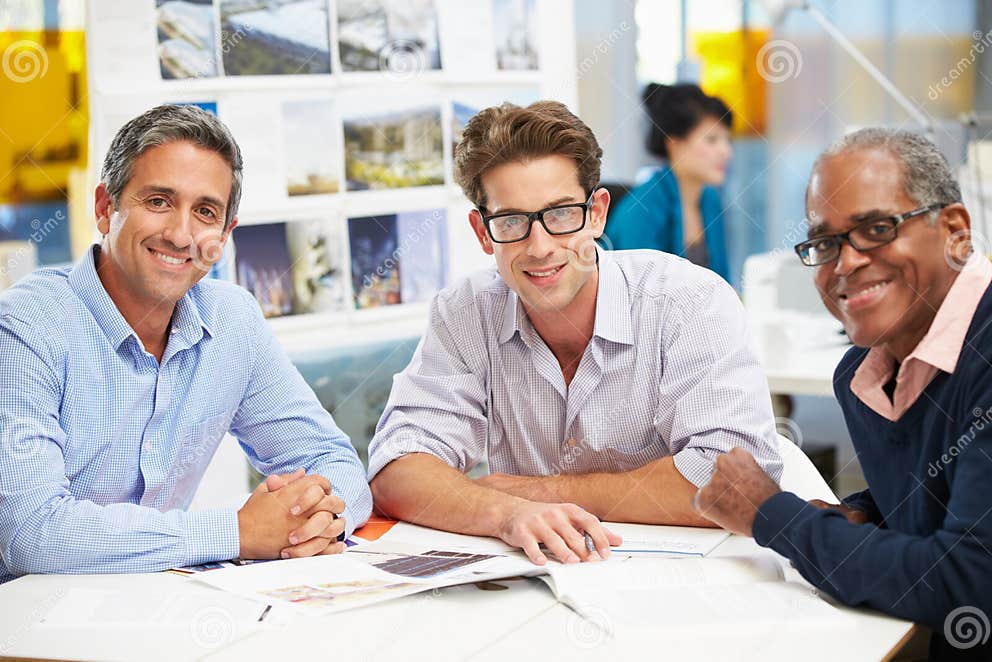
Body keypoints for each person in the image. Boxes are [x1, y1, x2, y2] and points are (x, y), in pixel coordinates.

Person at [368, 100, 782, 566]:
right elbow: (396, 467)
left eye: (561, 213)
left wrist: (543, 491)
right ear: (483, 233)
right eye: (511, 222)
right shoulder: (465, 312)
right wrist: (505, 512)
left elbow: (738, 485)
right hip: (539, 585)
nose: (540, 247)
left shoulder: (689, 300)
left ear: (597, 213)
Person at [0, 105, 372, 582]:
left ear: (224, 234)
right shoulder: (27, 325)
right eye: (158, 201)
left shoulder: (232, 321)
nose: (180, 234)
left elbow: (333, 463)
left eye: (205, 212)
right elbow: (31, 534)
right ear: (103, 208)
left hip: (163, 613)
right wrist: (237, 533)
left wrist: (309, 522)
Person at [693, 128, 992, 661]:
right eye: (826, 243)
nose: (846, 263)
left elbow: (970, 581)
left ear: (955, 231)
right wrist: (860, 514)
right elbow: (938, 495)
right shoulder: (864, 376)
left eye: (876, 228)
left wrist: (775, 515)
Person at [603, 83, 733, 281]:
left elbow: (722, 283)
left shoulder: (710, 199)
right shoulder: (640, 210)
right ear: (675, 145)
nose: (726, 151)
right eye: (712, 140)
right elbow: (642, 299)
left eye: (727, 140)